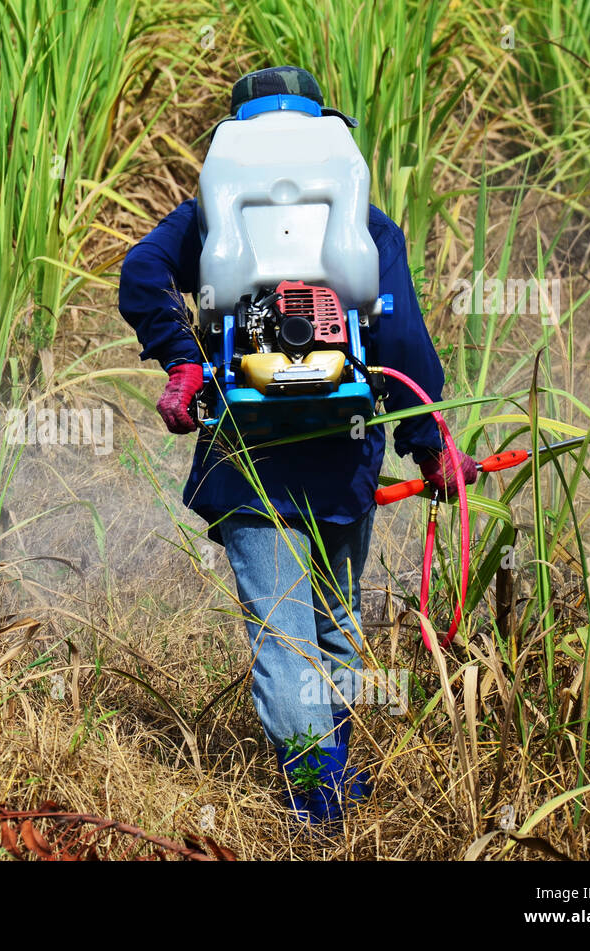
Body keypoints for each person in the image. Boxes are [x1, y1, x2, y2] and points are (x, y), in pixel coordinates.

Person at [118, 66, 477, 824]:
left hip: (245, 457)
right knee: (335, 627)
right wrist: (429, 447)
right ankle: (331, 787)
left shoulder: (212, 216)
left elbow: (140, 270)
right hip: (341, 459)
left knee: (283, 638)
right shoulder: (364, 222)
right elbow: (402, 339)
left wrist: (184, 357)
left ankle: (319, 796)